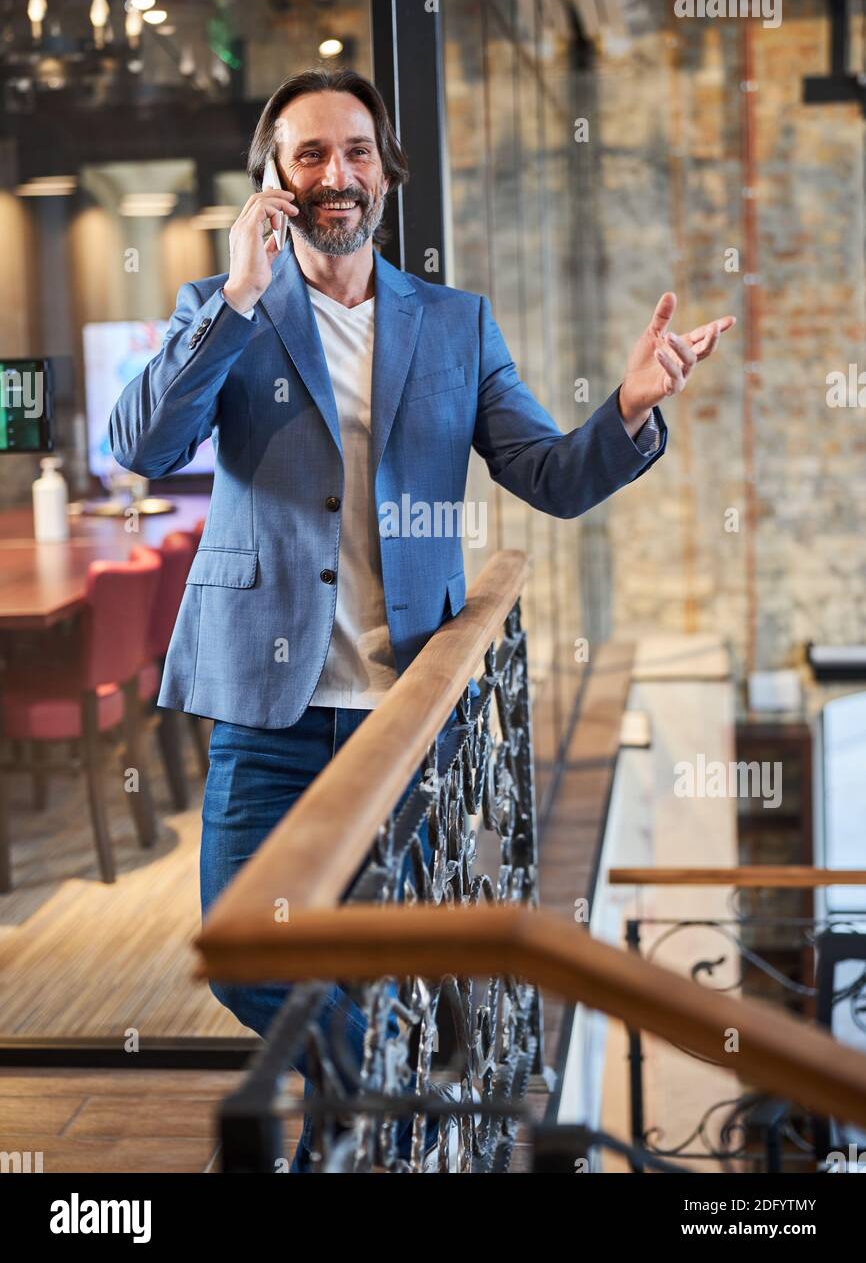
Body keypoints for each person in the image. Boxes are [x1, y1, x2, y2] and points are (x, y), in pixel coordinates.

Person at [108, 68, 734, 1170]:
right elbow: (144, 447)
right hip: (270, 708)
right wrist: (239, 296)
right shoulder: (223, 310)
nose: (333, 176)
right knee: (249, 953)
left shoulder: (454, 323)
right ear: (272, 179)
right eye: (307, 155)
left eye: (354, 152)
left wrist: (630, 406)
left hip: (410, 718)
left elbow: (545, 473)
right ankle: (398, 1096)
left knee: (378, 955)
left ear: (386, 173)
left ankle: (360, 1133)